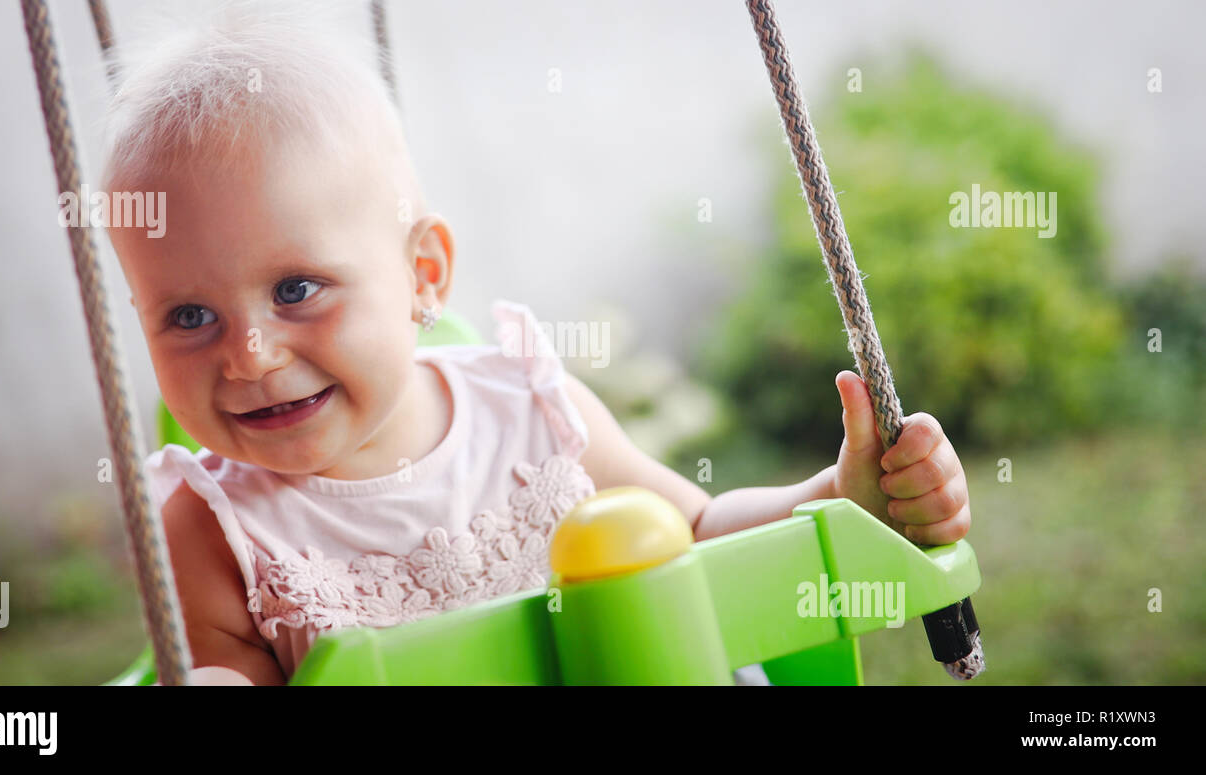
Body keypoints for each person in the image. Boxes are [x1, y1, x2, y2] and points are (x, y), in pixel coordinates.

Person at [103, 2, 971, 686]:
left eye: (296, 290)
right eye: (188, 317)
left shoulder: (528, 410)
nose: (249, 353)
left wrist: (836, 499)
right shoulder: (209, 533)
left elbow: (696, 531)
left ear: (423, 274)